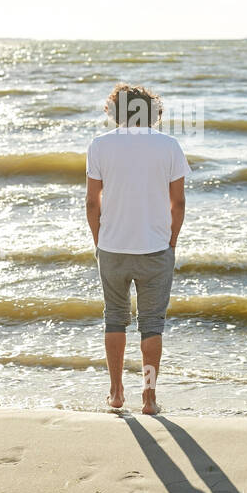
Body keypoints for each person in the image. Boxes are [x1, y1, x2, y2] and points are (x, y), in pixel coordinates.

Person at [85, 82, 189, 415]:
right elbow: (179, 202)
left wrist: (99, 240)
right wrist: (171, 240)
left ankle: (116, 393)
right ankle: (149, 396)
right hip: (155, 247)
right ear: (151, 111)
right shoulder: (169, 146)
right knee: (152, 324)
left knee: (114, 320)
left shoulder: (100, 146)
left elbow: (92, 202)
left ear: (116, 112)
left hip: (112, 247)